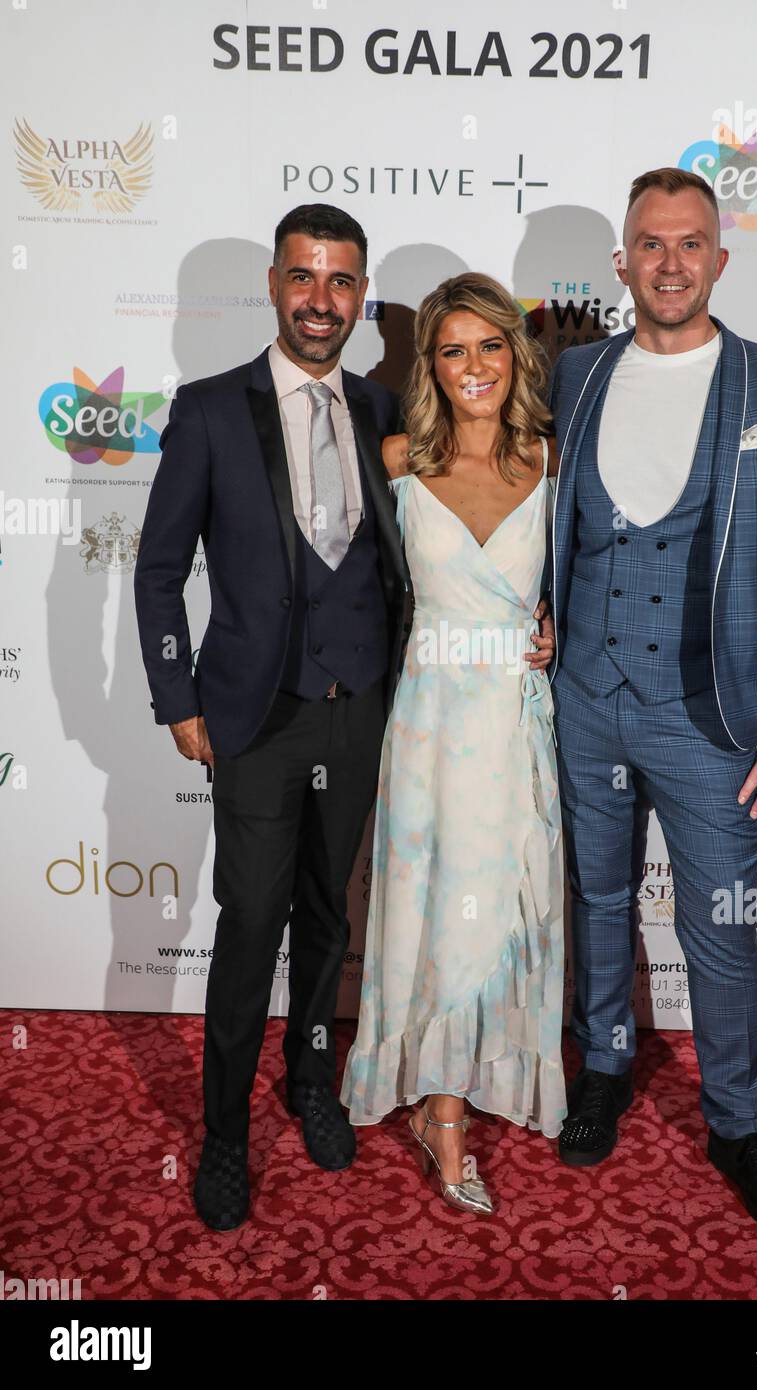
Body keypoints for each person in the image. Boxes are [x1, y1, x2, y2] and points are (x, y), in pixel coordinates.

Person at [547, 167, 757, 1246]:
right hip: (581, 693)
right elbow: (549, 526)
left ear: (718, 258)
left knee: (717, 926)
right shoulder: (573, 374)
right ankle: (606, 1066)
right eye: (648, 243)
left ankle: (737, 1123)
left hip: (709, 711)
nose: (667, 262)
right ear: (621, 261)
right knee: (596, 897)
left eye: (688, 243)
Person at [134, 204, 410, 1231]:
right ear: (272, 282)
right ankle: (223, 1136)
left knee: (330, 920)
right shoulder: (209, 409)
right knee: (252, 925)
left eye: (341, 282)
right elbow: (160, 571)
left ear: (360, 293)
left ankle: (310, 1084)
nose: (320, 301)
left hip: (358, 709)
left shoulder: (385, 412)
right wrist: (177, 699)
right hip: (252, 717)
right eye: (305, 277)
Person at [340, 272, 566, 1214]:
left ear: (515, 353)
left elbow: (594, 573)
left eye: (489, 345)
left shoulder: (552, 462)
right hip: (431, 724)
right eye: (451, 349)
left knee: (504, 911)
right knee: (433, 916)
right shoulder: (394, 458)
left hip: (512, 720)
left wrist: (556, 630)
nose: (473, 366)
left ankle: (489, 1079)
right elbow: (351, 588)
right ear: (429, 365)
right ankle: (441, 1112)